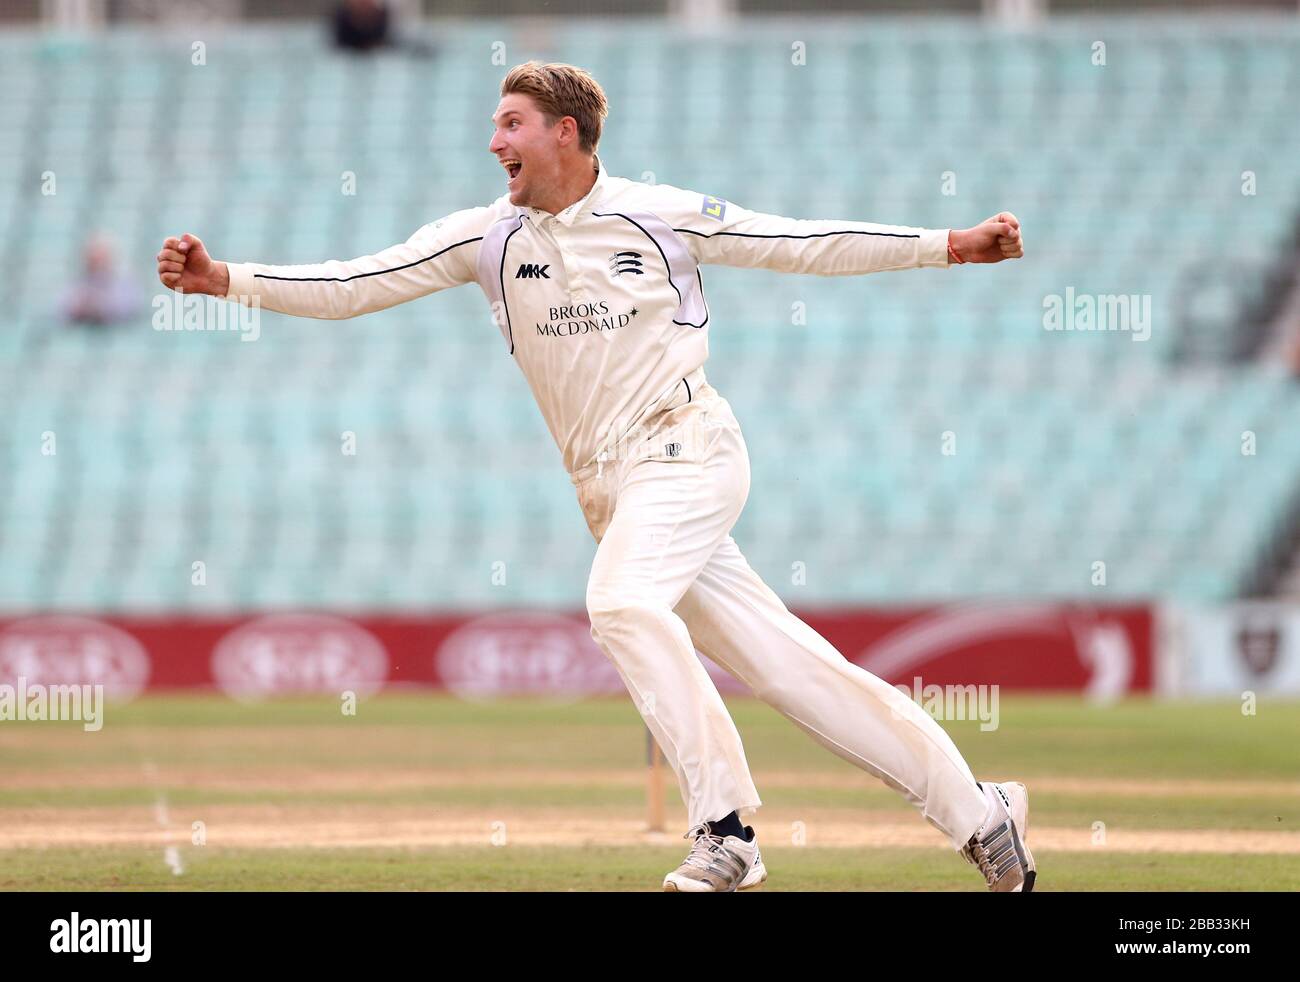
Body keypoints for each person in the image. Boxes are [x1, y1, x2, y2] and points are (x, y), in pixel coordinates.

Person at [156, 61, 1033, 893]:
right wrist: (225, 280)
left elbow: (800, 242)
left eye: (511, 124)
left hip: (686, 446)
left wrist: (948, 245)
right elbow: (355, 284)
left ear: (565, 133)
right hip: (609, 489)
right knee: (790, 669)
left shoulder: (657, 213)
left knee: (618, 604)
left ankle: (725, 831)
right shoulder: (484, 236)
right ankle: (979, 813)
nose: (494, 141)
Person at [63, 233, 142, 326]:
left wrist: (99, 307)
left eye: (101, 257)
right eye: (93, 257)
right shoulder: (78, 283)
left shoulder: (125, 283)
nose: (97, 262)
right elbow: (63, 309)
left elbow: (131, 309)